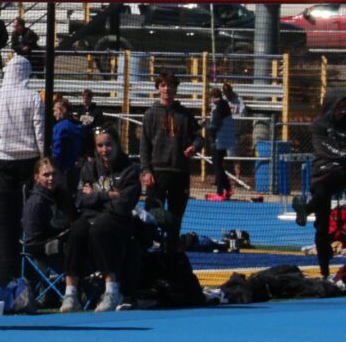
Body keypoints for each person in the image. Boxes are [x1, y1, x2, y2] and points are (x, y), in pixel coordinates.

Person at [66, 127, 140, 313]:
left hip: (118, 221)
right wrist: (107, 195)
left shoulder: (130, 170)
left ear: (116, 145)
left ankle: (112, 290)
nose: (104, 149)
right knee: (77, 230)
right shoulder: (89, 168)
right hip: (91, 216)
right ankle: (71, 292)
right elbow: (81, 200)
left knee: (100, 229)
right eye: (100, 145)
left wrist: (96, 196)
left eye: (108, 144)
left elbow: (123, 204)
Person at [295, 90, 346, 280]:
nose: (342, 111)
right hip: (322, 173)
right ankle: (324, 270)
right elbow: (328, 151)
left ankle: (305, 208)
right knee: (322, 225)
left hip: (340, 174)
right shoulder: (320, 125)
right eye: (339, 107)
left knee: (330, 185)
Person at [0, 54, 44, 265]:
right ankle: (30, 251)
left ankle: (8, 253)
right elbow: (40, 132)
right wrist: (43, 159)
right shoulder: (33, 97)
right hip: (29, 158)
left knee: (7, 208)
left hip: (5, 158)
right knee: (30, 206)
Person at [139, 72, 199, 254]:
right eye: (163, 85)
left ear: (175, 89)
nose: (167, 89)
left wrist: (194, 147)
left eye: (170, 86)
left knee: (176, 217)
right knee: (151, 215)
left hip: (180, 173)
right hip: (157, 173)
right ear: (158, 88)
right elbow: (144, 146)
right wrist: (146, 170)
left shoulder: (185, 114)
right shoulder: (150, 114)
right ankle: (149, 250)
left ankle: (171, 251)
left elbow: (199, 137)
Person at [23, 157, 70, 274]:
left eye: (54, 174)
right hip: (43, 251)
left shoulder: (62, 196)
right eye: (46, 175)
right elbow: (31, 242)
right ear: (37, 177)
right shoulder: (35, 202)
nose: (51, 178)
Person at [205, 86, 236, 199]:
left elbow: (215, 125)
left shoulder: (218, 107)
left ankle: (219, 193)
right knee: (219, 166)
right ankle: (228, 189)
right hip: (223, 140)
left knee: (217, 167)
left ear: (212, 97)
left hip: (218, 141)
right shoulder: (224, 105)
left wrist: (205, 127)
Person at [49, 96, 85, 195]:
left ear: (63, 110)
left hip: (62, 168)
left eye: (55, 110)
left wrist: (52, 165)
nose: (54, 113)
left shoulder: (60, 127)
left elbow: (57, 149)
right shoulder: (78, 126)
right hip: (75, 167)